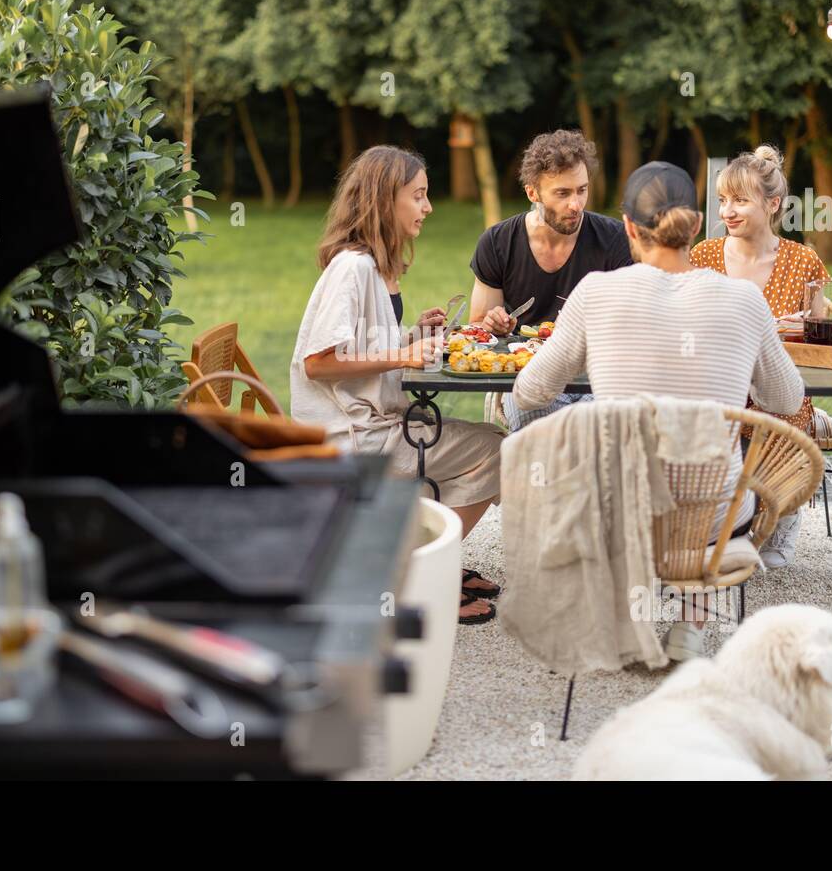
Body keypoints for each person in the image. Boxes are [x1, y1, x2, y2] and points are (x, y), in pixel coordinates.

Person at [511, 161, 805, 661]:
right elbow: (788, 401)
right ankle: (691, 625)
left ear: (627, 226)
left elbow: (530, 391)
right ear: (696, 225)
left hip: (617, 512)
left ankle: (626, 614)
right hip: (714, 519)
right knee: (708, 485)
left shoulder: (596, 293)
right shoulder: (744, 301)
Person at [290, 145, 505, 624]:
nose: (428, 207)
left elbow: (356, 345)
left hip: (371, 425)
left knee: (485, 444)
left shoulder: (369, 265)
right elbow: (318, 362)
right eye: (419, 196)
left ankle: (430, 554)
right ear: (386, 200)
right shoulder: (354, 267)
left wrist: (411, 335)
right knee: (497, 451)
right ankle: (421, 572)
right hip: (351, 440)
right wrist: (403, 354)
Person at [690, 144, 832, 568]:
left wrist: (788, 332)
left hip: (778, 396)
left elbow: (816, 347)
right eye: (723, 201)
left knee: (787, 410)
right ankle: (727, 519)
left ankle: (784, 508)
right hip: (719, 392)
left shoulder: (803, 261)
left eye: (740, 200)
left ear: (773, 203)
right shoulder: (702, 256)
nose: (728, 211)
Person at [467, 129, 632, 431]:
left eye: (582, 190)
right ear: (533, 193)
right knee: (542, 433)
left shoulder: (613, 239)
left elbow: (628, 329)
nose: (576, 204)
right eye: (562, 193)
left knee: (604, 426)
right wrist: (493, 324)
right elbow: (477, 328)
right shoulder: (498, 242)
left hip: (593, 379)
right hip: (527, 378)